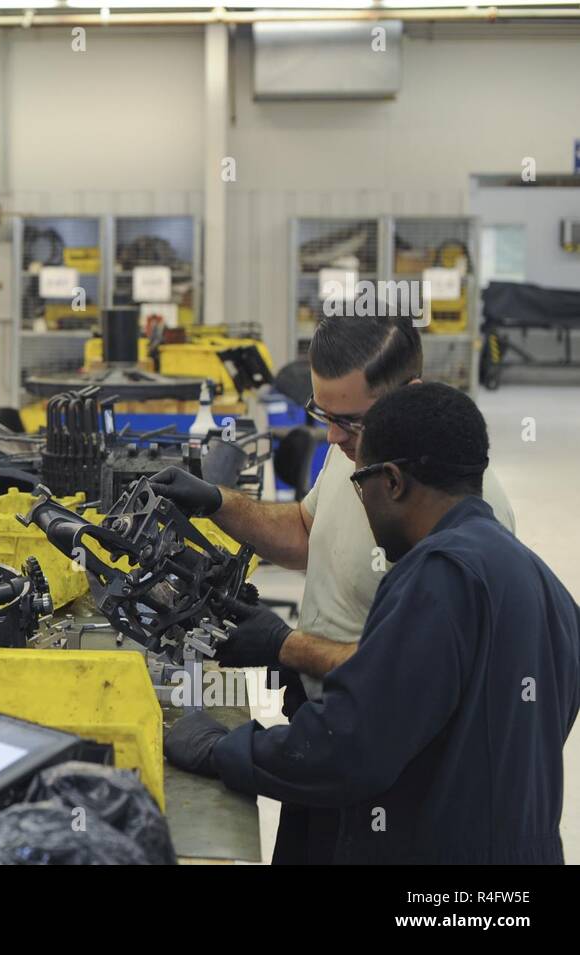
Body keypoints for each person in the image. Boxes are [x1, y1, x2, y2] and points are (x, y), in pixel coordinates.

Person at [148, 315, 514, 863]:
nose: (333, 437)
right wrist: (219, 503)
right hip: (321, 737)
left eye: (350, 420)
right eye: (323, 414)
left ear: (407, 398)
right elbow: (306, 530)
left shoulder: (456, 521)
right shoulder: (356, 451)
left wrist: (284, 646)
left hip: (387, 776)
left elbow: (411, 679)